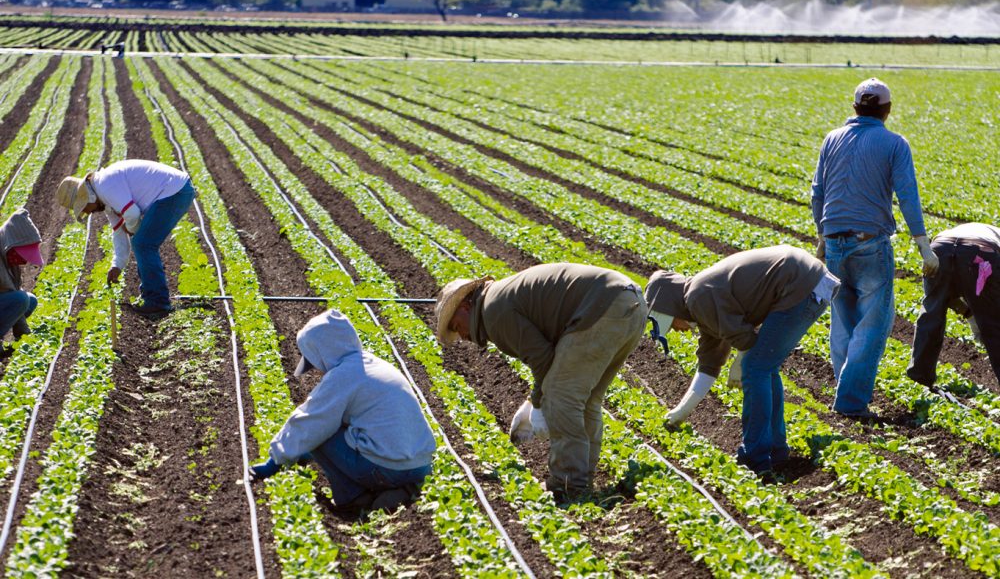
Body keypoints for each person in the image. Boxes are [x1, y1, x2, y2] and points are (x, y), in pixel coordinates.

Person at [435, 263, 648, 501]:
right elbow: (549, 360)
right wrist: (532, 400)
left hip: (602, 308)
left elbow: (543, 359)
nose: (462, 336)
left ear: (465, 306)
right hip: (629, 302)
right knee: (585, 399)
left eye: (456, 326)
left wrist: (538, 404)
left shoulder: (493, 312)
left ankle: (567, 485)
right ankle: (581, 479)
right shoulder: (497, 300)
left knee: (562, 396)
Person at [645, 245, 840, 480]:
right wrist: (680, 412)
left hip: (798, 284)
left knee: (756, 368)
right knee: (763, 367)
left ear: (669, 307)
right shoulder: (700, 304)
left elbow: (746, 340)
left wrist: (742, 360)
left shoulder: (698, 296)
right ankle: (776, 450)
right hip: (806, 280)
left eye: (669, 323)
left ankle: (755, 456)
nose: (675, 330)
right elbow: (709, 365)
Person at [811, 77, 938, 419]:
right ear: (887, 110)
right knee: (873, 323)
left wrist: (822, 240)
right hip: (871, 243)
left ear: (855, 108)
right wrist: (923, 246)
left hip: (835, 241)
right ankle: (850, 402)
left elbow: (818, 193)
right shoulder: (894, 143)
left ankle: (845, 392)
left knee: (842, 321)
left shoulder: (831, 139)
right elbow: (907, 194)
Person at [250, 309, 436, 513]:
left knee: (319, 434)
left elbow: (311, 422)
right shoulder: (374, 365)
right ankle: (402, 490)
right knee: (334, 427)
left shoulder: (343, 376)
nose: (318, 370)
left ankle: (354, 498)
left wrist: (275, 460)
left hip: (388, 469)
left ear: (323, 352)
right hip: (421, 466)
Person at [56, 160, 196, 317]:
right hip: (174, 190)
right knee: (142, 243)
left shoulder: (106, 186)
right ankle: (151, 297)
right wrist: (117, 265)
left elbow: (132, 214)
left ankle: (158, 302)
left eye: (84, 208)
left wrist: (132, 229)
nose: (87, 212)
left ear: (87, 197)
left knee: (143, 244)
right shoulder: (104, 197)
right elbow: (118, 231)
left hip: (174, 191)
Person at [907, 223, 1000, 387]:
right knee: (993, 325)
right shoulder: (995, 239)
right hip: (980, 252)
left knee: (933, 307)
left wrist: (969, 313)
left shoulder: (973, 228)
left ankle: (920, 376)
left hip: (940, 248)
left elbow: (947, 294)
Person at [0, 209, 44, 358]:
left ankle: (18, 337)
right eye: (22, 255)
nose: (25, 261)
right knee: (20, 299)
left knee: (29, 300)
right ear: (11, 248)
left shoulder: (8, 260)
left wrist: (24, 336)